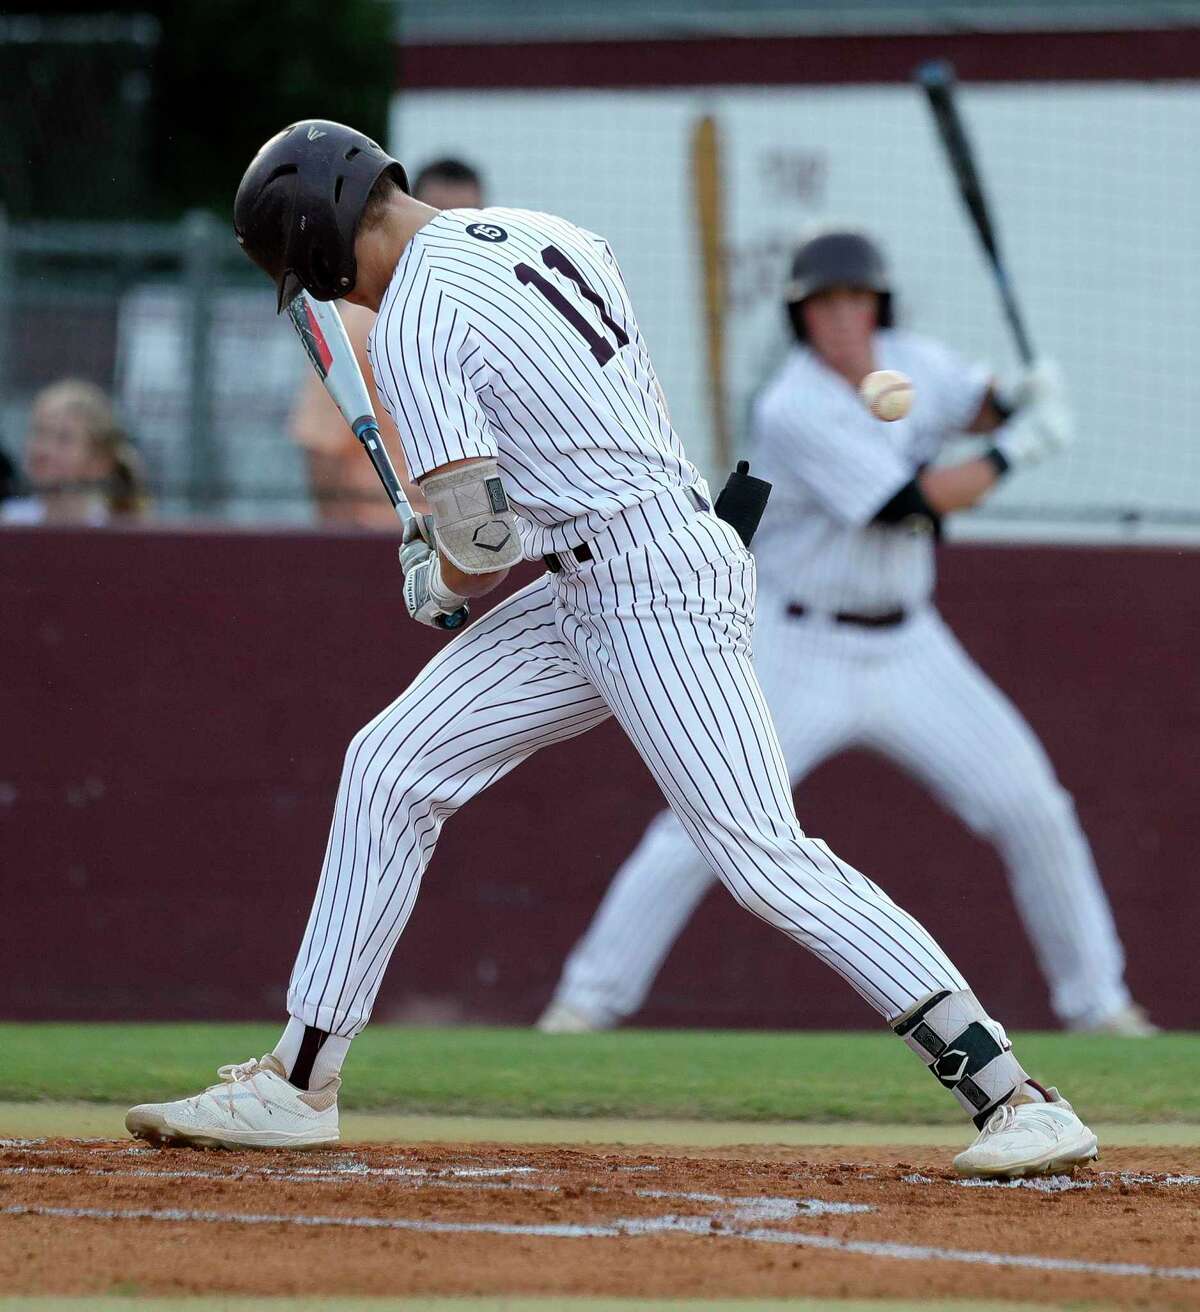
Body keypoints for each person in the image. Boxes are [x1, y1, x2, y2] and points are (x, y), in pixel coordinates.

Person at [125, 124, 1100, 1179]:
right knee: (390, 765)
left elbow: (479, 549)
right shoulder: (546, 231)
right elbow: (550, 446)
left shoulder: (412, 316)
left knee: (763, 860)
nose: (332, 295)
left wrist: (437, 578)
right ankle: (299, 1082)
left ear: (319, 243)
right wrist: (470, 534)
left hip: (650, 590)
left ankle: (1012, 1096)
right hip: (605, 566)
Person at [539, 229, 1154, 1040]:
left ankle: (1099, 1006)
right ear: (800, 315)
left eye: (854, 299)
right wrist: (1019, 448)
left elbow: (974, 402)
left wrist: (1018, 400)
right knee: (708, 823)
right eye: (822, 303)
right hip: (797, 645)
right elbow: (907, 505)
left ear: (877, 305)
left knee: (1033, 808)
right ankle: (585, 1004)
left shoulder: (914, 360)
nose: (840, 317)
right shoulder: (794, 405)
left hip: (911, 645)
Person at [288, 158, 485, 526]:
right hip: (388, 534)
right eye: (438, 215)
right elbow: (322, 446)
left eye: (461, 218)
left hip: (478, 537)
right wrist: (343, 545)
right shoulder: (359, 321)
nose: (447, 232)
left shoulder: (485, 317)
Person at [0, 379, 148, 526]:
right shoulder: (10, 522)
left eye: (64, 438)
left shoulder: (120, 530)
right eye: (39, 432)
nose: (44, 449)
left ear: (100, 461)